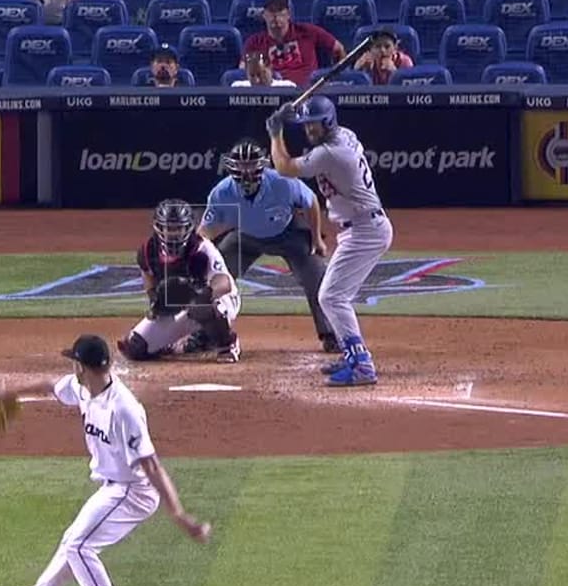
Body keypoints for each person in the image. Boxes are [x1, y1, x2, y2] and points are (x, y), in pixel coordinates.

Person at [0, 333, 211, 586]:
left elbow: (151, 465)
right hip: (114, 487)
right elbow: (50, 385)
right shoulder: (82, 387)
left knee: (79, 546)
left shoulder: (124, 409)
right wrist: (11, 392)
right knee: (73, 540)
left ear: (81, 367)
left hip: (133, 492)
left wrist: (178, 514)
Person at [267, 96, 391, 387]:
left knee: (331, 297)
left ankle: (362, 366)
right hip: (361, 227)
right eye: (306, 125)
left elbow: (284, 167)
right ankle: (352, 355)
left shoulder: (330, 153)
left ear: (329, 123)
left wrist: (275, 132)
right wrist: (292, 119)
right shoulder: (344, 135)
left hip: (366, 231)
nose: (309, 130)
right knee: (334, 296)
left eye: (314, 125)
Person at [193, 138, 337, 354]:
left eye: (251, 165)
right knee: (211, 277)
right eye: (241, 166)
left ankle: (331, 334)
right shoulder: (221, 193)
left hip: (289, 233)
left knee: (316, 276)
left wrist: (316, 239)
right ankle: (205, 334)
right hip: (246, 236)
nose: (246, 171)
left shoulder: (283, 181)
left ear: (262, 164)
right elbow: (206, 230)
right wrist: (196, 253)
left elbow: (311, 202)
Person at [117, 199, 244, 362]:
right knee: (136, 348)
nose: (173, 233)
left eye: (178, 228)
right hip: (179, 306)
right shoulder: (148, 250)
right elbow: (148, 276)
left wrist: (200, 296)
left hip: (219, 300)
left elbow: (224, 283)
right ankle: (195, 340)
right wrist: (155, 301)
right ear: (159, 227)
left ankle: (227, 344)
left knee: (200, 307)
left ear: (188, 227)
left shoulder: (201, 248)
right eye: (169, 228)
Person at [240, 0, 343, 86]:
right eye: (271, 11)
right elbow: (243, 69)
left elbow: (338, 49)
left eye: (280, 11)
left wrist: (340, 75)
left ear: (288, 14)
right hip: (273, 92)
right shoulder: (254, 42)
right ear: (264, 15)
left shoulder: (308, 31)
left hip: (307, 91)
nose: (275, 16)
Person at [229, 49, 293, 87]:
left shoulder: (287, 87)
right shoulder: (237, 88)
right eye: (252, 75)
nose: (257, 80)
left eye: (260, 75)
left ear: (270, 68)